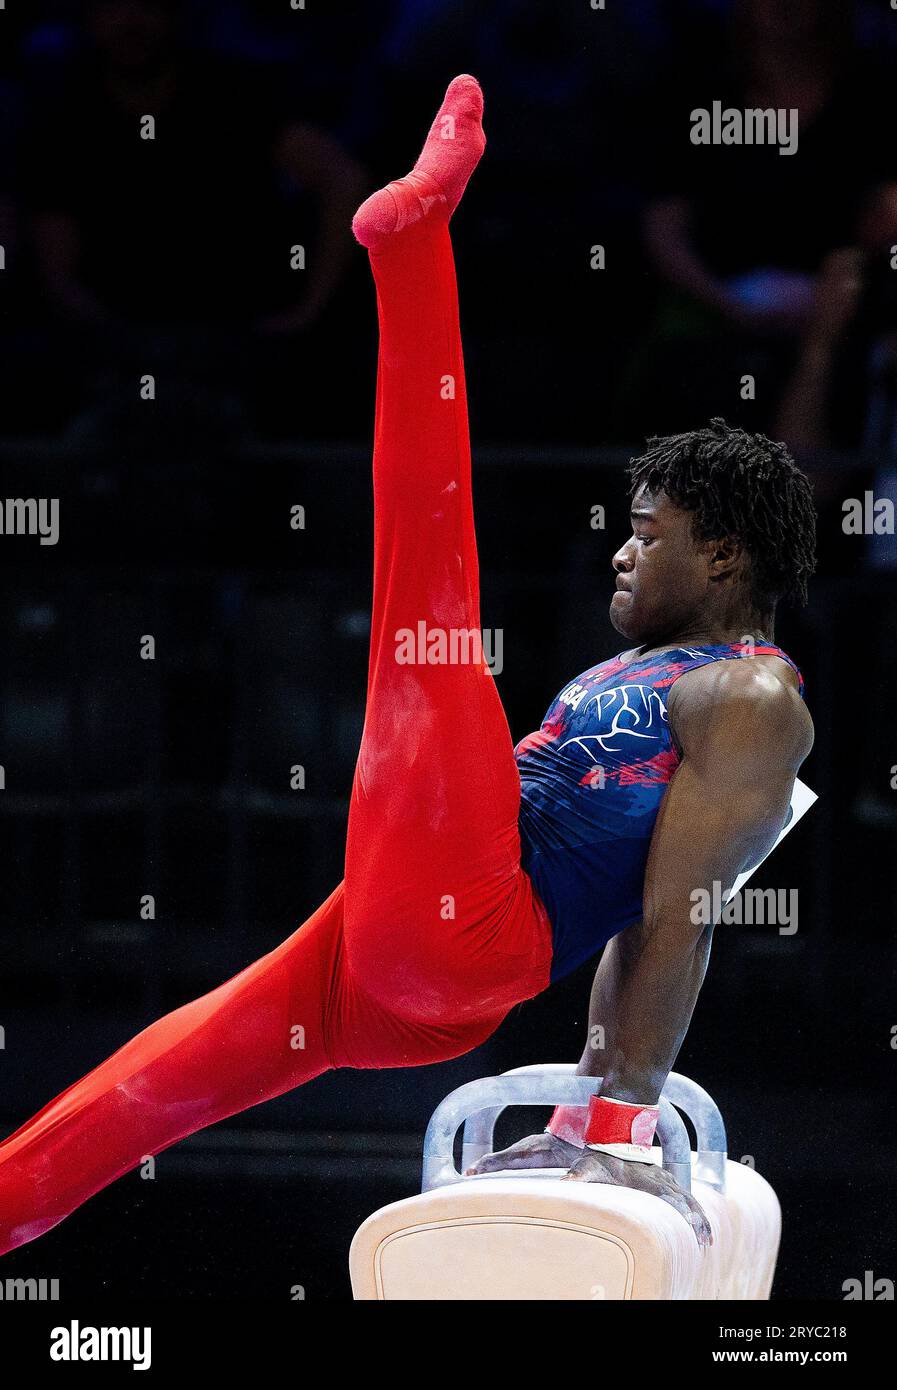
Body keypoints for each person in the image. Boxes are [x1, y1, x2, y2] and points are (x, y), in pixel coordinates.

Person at [0, 75, 815, 1260]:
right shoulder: (646, 674)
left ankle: (413, 247)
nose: (622, 549)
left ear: (727, 549)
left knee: (429, 608)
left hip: (470, 928)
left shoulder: (749, 696)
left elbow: (673, 918)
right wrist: (586, 1089)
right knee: (124, 1100)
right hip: (393, 961)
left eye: (651, 530)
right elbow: (643, 914)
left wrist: (619, 1119)